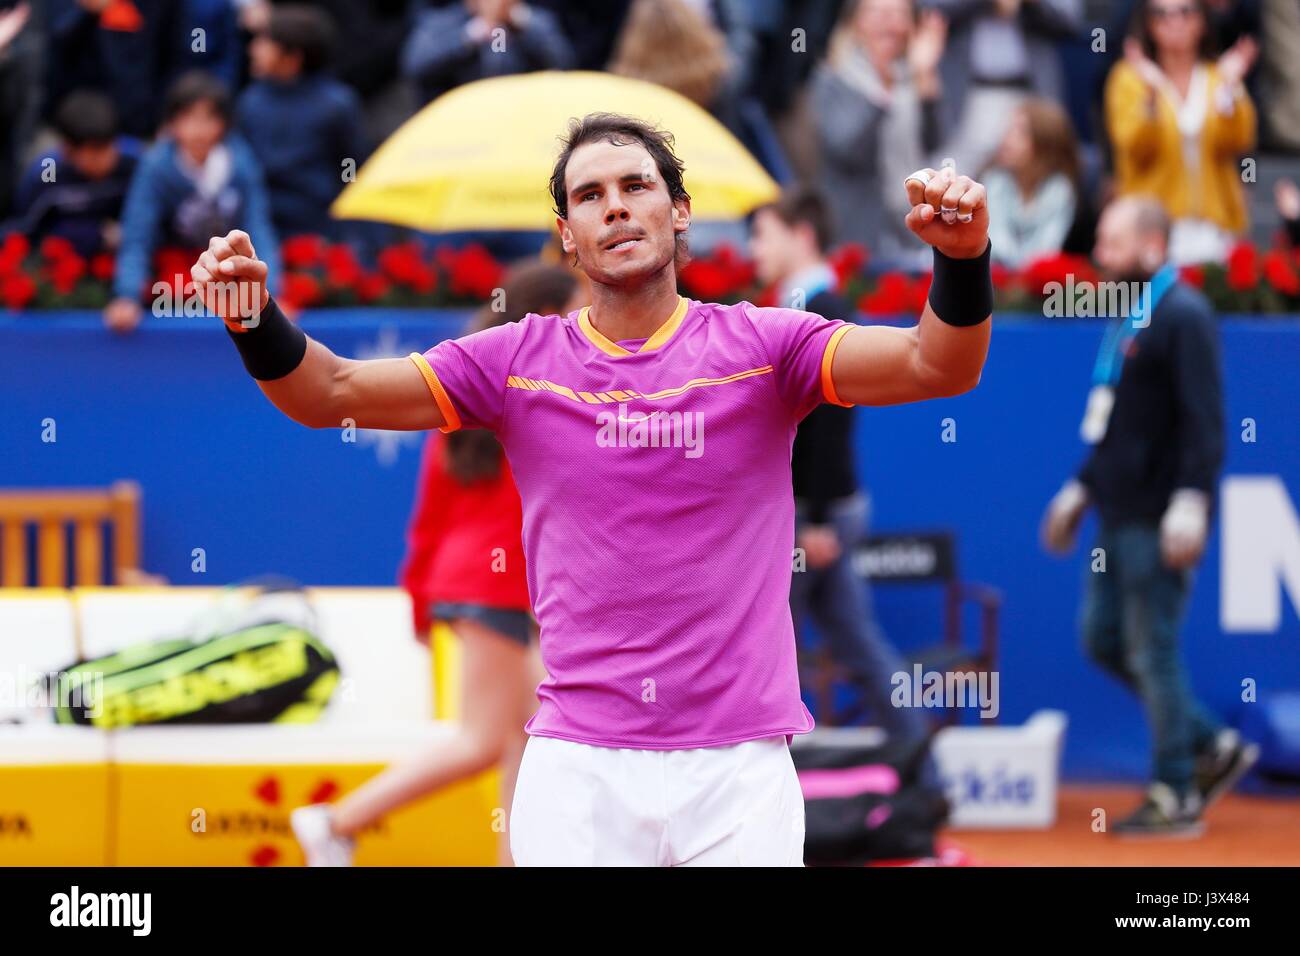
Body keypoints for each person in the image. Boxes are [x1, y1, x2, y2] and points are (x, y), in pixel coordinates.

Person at [190, 112, 993, 866]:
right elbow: (326, 392)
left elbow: (938, 363)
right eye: (590, 196)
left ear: (680, 213)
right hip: (578, 771)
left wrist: (962, 259)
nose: (615, 208)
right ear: (566, 238)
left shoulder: (765, 345)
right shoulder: (513, 360)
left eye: (636, 187)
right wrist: (250, 317)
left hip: (741, 769)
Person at [290, 261, 579, 867]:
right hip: (491, 588)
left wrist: (422, 596)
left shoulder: (476, 391)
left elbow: (429, 515)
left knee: (528, 738)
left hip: (478, 584)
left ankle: (513, 857)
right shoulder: (530, 392)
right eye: (577, 308)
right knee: (481, 742)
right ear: (546, 318)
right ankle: (335, 822)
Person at [1040, 195, 1258, 837]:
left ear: (1153, 246)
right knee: (1105, 640)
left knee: (1152, 649)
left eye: (1112, 243)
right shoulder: (1131, 315)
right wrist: (1080, 489)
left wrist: (1192, 499)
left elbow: (1205, 422)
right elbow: (1116, 423)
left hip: (1159, 516)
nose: (1100, 257)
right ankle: (1208, 743)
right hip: (1116, 513)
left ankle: (1175, 793)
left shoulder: (1183, 314)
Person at [749, 185, 939, 784]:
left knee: (768, 654)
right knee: (859, 646)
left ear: (801, 235)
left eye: (764, 233)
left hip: (814, 514)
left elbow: (828, 422)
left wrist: (818, 522)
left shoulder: (813, 306)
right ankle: (926, 783)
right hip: (820, 512)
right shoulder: (802, 303)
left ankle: (779, 793)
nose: (754, 248)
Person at [107, 71, 279, 334]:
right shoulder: (155, 167)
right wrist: (127, 296)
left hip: (231, 280)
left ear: (224, 124)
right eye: (188, 118)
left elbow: (258, 227)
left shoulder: (242, 164)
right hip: (173, 284)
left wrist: (271, 297)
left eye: (209, 118)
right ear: (172, 124)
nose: (199, 129)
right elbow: (138, 233)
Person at [1104, 0, 1257, 265]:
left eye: (1186, 12)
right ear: (1149, 24)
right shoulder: (1128, 78)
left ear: (1202, 21)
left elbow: (1240, 140)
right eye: (1161, 14)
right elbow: (1134, 146)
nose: (1174, 22)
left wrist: (1229, 91)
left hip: (1214, 229)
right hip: (1151, 232)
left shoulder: (1220, 76)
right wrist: (1150, 96)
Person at [810, 0, 948, 270]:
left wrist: (926, 77)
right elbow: (847, 149)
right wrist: (884, 91)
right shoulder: (834, 77)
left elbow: (933, 143)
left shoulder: (912, 75)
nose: (890, 24)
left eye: (899, 15)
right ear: (856, 21)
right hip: (852, 231)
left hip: (907, 226)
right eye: (879, 13)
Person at [236, 4, 367, 239]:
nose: (253, 50)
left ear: (292, 58)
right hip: (263, 230)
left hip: (320, 233)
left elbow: (352, 170)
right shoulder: (250, 102)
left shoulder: (337, 104)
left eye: (264, 43)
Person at [919, 0, 1082, 174]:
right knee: (951, 177)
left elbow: (1071, 20)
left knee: (1040, 179)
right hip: (969, 94)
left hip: (1030, 93)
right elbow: (928, 8)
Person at [11, 90, 140, 257]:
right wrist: (93, 234)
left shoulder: (134, 161)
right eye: (95, 151)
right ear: (68, 151)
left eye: (110, 146)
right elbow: (24, 230)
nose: (107, 158)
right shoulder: (46, 173)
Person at [401, 0, 574, 106]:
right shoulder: (440, 23)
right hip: (459, 120)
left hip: (523, 113)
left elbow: (564, 62)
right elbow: (415, 64)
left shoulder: (531, 22)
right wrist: (470, 36)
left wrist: (521, 23)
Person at [982, 97, 1079, 268]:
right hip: (996, 279)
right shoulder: (994, 182)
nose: (1007, 139)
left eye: (1020, 132)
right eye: (1008, 130)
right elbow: (993, 244)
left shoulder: (1059, 190)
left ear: (1045, 143)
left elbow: (1045, 253)